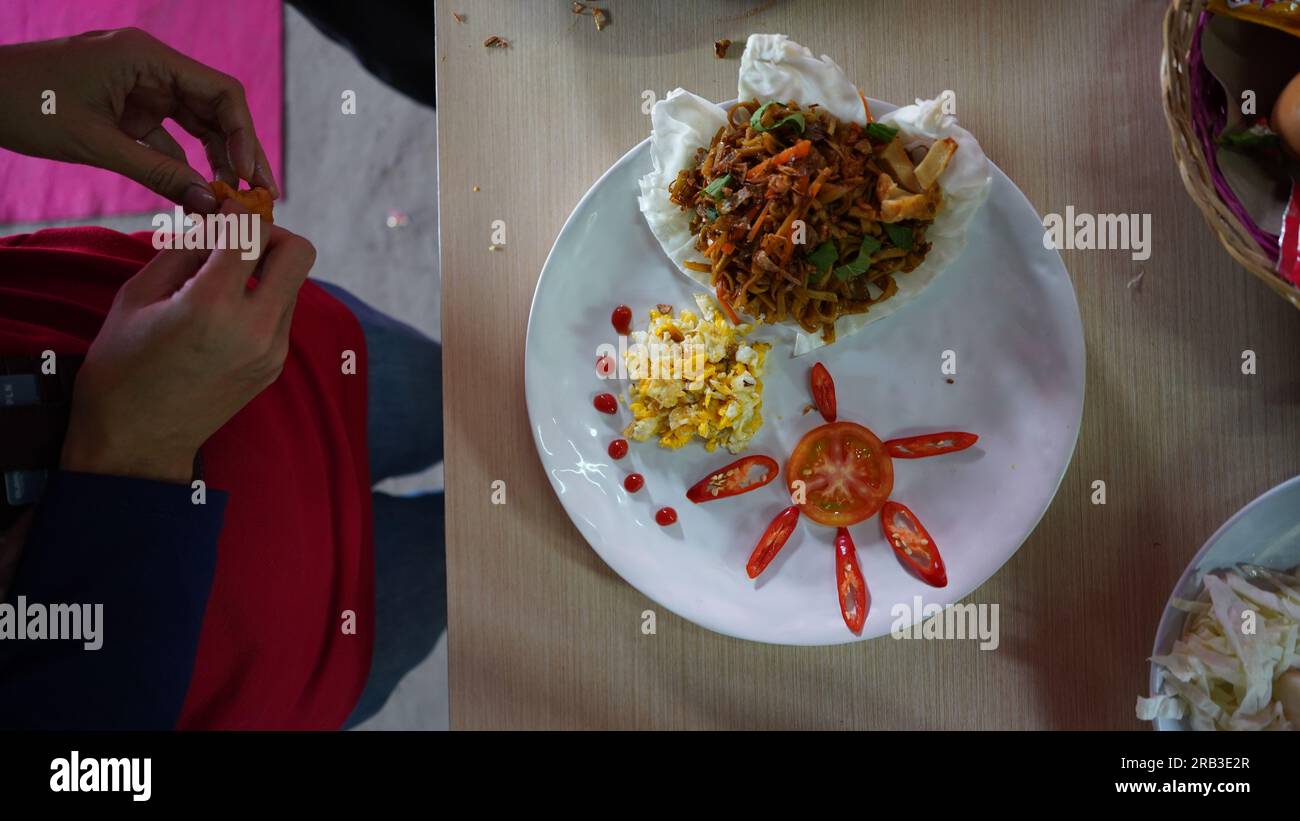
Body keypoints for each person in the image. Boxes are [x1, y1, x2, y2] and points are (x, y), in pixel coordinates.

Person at [0, 27, 443, 729]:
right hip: (291, 641)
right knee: (491, 553)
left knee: (465, 394)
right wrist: (128, 455)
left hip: (291, 354)